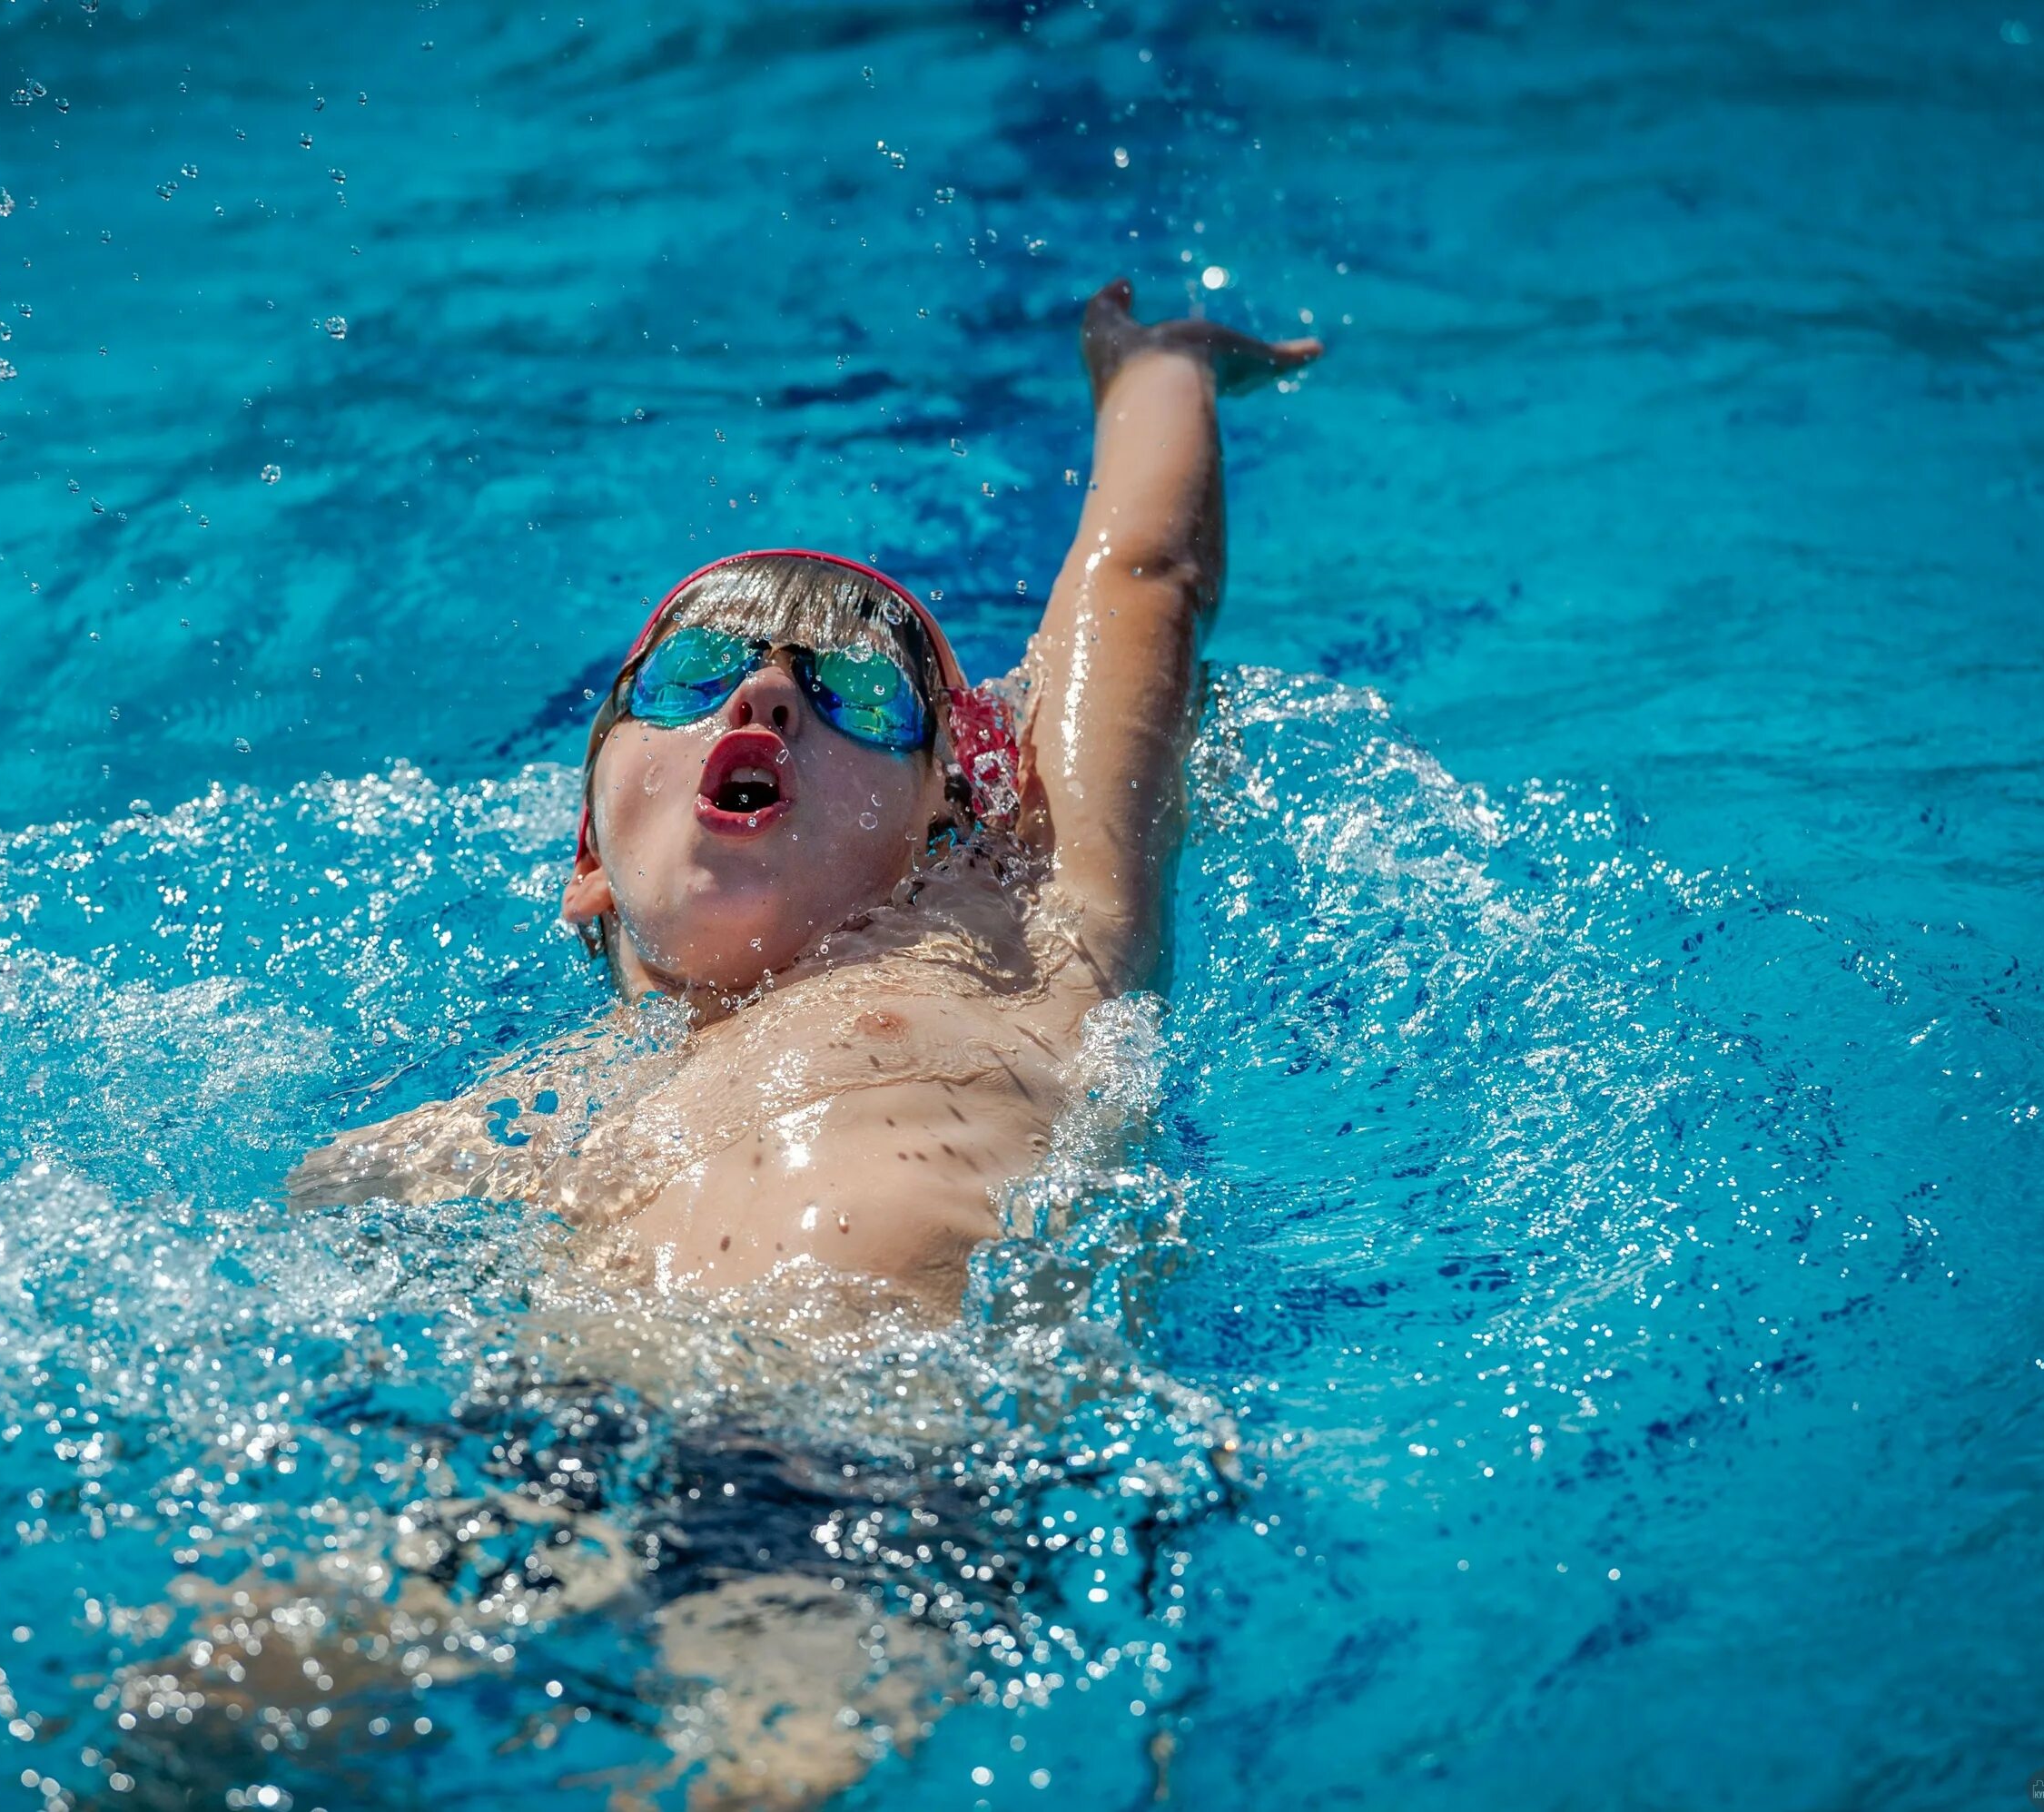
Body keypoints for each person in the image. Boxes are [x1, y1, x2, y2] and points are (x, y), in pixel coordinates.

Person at [290, 280, 1321, 1321]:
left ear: (947, 825)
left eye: (864, 694)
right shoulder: (528, 1117)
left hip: (926, 1445)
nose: (768, 692)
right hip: (590, 1438)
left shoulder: (1027, 938)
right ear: (590, 863)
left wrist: (1157, 372)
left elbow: (1144, 578)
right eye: (690, 676)